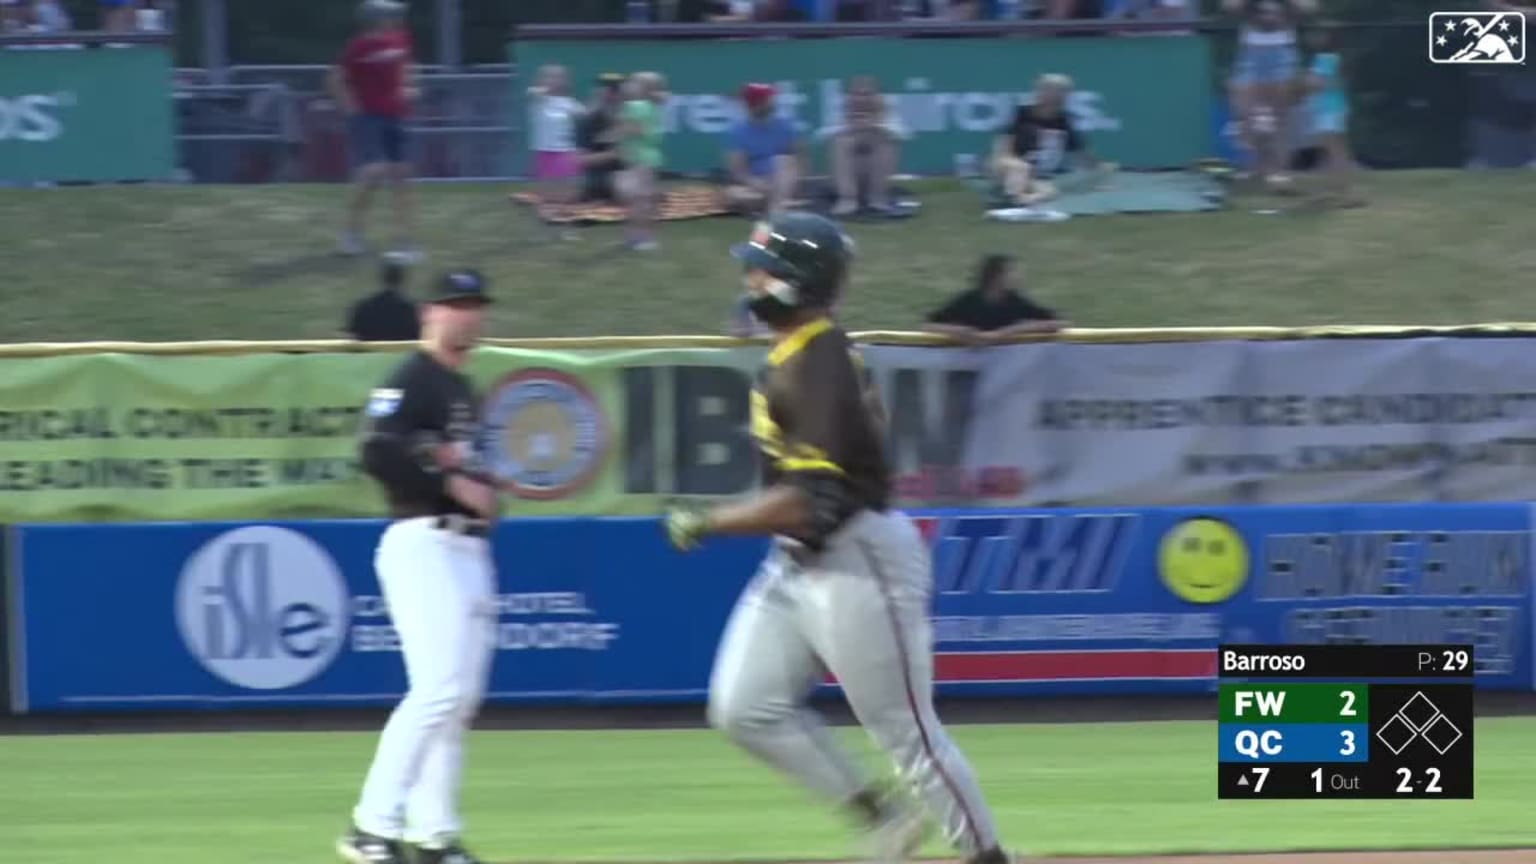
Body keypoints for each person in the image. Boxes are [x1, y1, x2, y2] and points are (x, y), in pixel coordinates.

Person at [663, 212, 1015, 864]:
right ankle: (884, 821)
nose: (750, 276)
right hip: (803, 560)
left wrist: (709, 520)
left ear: (797, 281)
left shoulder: (818, 357)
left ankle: (991, 857)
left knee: (907, 734)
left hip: (858, 557)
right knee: (744, 707)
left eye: (763, 266)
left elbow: (809, 500)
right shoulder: (800, 353)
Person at [339, 269, 499, 864]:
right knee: (437, 691)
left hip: (467, 548)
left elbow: (463, 466)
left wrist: (483, 485)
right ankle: (370, 827)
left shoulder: (465, 390)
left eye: (476, 305)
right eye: (456, 304)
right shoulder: (413, 376)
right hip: (421, 540)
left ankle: (435, 837)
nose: (468, 315)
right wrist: (450, 476)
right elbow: (374, 448)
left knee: (459, 702)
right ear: (430, 312)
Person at [330, 0, 420, 261]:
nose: (395, 18)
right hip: (368, 117)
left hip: (396, 115)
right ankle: (350, 234)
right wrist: (352, 110)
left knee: (403, 175)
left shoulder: (400, 39)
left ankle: (405, 242)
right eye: (390, 15)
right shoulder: (358, 46)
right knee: (373, 172)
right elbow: (335, 79)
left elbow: (408, 65)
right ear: (376, 18)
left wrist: (409, 86)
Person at [1223, 0, 1316, 192]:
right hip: (1251, 49)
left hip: (1282, 49)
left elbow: (1310, 8)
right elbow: (1229, 7)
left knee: (1280, 117)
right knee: (1247, 114)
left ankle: (1278, 170)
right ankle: (1256, 166)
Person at [990, 74, 1104, 208]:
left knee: (1049, 191)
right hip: (1009, 164)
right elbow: (1003, 144)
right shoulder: (1021, 113)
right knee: (1020, 168)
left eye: (1063, 92)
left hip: (1034, 174)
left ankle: (1020, 201)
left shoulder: (1064, 121)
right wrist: (1004, 161)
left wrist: (1099, 173)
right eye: (1052, 91)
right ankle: (1015, 196)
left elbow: (1082, 153)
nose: (1059, 96)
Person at [923, 254, 1065, 344]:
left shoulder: (1015, 301)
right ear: (996, 277)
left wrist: (1011, 331)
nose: (1017, 277)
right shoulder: (968, 300)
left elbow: (1058, 323)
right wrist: (960, 332)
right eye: (1011, 272)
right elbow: (928, 325)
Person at [1301, 22, 1362, 207]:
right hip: (1333, 109)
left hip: (1328, 110)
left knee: (1334, 151)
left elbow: (1318, 84)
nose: (1312, 37)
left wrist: (1306, 80)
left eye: (1317, 34)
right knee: (1328, 151)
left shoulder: (1324, 59)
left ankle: (1346, 192)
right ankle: (1330, 189)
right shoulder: (1334, 58)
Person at [725, 83, 804, 217]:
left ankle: (775, 209)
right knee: (733, 195)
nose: (773, 103)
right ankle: (780, 204)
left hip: (785, 180)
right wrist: (756, 183)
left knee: (783, 161)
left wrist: (796, 182)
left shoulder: (786, 125)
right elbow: (739, 171)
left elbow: (800, 159)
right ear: (757, 104)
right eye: (768, 100)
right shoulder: (737, 131)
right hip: (759, 186)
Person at [828, 76, 902, 217]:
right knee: (842, 141)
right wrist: (853, 129)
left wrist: (873, 127)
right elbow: (823, 134)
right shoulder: (842, 110)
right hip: (849, 171)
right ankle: (848, 199)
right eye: (857, 94)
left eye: (867, 94)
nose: (861, 99)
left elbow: (902, 133)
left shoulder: (887, 111)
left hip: (875, 172)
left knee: (885, 140)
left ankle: (877, 197)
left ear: (876, 96)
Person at [616, 71, 668, 252]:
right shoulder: (652, 106)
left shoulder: (635, 106)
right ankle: (640, 237)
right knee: (643, 200)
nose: (628, 86)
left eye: (633, 83)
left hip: (639, 159)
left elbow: (630, 130)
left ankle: (638, 237)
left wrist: (621, 136)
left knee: (640, 200)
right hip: (646, 158)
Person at [527, 64, 587, 202]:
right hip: (543, 151)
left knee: (567, 195)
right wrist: (545, 88)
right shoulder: (537, 98)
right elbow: (533, 92)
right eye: (549, 76)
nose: (554, 80)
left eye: (559, 77)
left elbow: (585, 115)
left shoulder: (570, 103)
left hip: (565, 151)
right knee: (545, 195)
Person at [344, 253, 423, 342]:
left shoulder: (363, 307)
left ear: (382, 278)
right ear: (402, 279)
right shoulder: (413, 310)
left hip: (371, 356)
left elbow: (352, 339)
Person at [575, 73, 627, 203]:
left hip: (626, 172)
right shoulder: (588, 121)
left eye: (617, 91)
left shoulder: (630, 118)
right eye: (610, 92)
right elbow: (581, 160)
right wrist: (612, 154)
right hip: (600, 176)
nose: (614, 96)